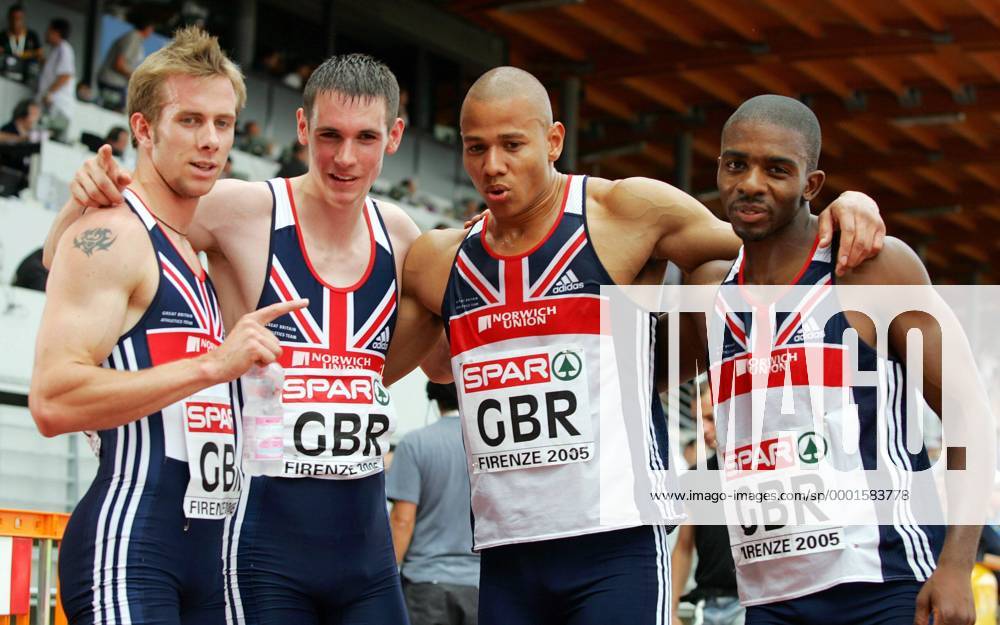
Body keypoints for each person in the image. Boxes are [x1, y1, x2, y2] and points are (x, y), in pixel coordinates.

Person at [397, 66, 885, 625]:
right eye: (475, 148)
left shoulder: (623, 213)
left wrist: (843, 211)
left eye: (512, 145)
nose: (493, 166)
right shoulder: (444, 258)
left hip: (617, 543)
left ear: (553, 140)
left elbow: (768, 242)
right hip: (508, 550)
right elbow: (386, 369)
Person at [48, 52, 449, 625]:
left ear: (394, 137)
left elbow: (438, 365)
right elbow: (82, 252)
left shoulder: (401, 234)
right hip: (257, 549)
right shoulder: (243, 210)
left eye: (366, 137)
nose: (345, 157)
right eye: (330, 134)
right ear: (303, 127)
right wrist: (81, 199)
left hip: (366, 555)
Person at [30, 27, 307, 625]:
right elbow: (51, 399)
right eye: (189, 121)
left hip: (205, 559)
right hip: (127, 550)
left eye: (224, 124)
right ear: (143, 129)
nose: (211, 141)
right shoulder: (115, 235)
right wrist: (213, 366)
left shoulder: (191, 253)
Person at [680, 94, 981, 625]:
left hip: (883, 582)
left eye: (777, 169)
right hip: (769, 592)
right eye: (735, 164)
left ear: (811, 185)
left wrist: (957, 565)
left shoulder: (872, 270)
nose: (751, 182)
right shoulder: (708, 289)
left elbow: (969, 418)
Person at [387, 381, 480, 625]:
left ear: (433, 400)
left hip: (427, 584)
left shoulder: (414, 444)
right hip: (481, 582)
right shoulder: (484, 444)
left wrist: (385, 578)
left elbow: (402, 520)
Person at [671, 383, 743, 625]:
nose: (704, 429)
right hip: (707, 605)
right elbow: (683, 547)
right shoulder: (695, 478)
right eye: (699, 420)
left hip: (753, 602)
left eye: (711, 418)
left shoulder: (763, 469)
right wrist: (670, 611)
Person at [98, 17, 155, 111]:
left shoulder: (136, 39)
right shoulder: (132, 38)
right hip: (112, 82)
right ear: (148, 29)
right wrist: (136, 78)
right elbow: (119, 64)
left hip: (117, 84)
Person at [36, 17, 75, 141]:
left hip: (59, 106)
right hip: (52, 105)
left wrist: (49, 93)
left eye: (49, 30)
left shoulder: (64, 49)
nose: (46, 33)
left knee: (53, 141)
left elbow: (65, 75)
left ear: (56, 32)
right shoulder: (56, 50)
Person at [1, 4, 41, 82]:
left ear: (23, 19)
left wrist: (24, 54)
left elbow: (39, 54)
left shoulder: (31, 35)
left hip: (26, 78)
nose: (16, 21)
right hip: (5, 75)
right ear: (9, 18)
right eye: (13, 18)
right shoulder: (3, 35)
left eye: (19, 18)